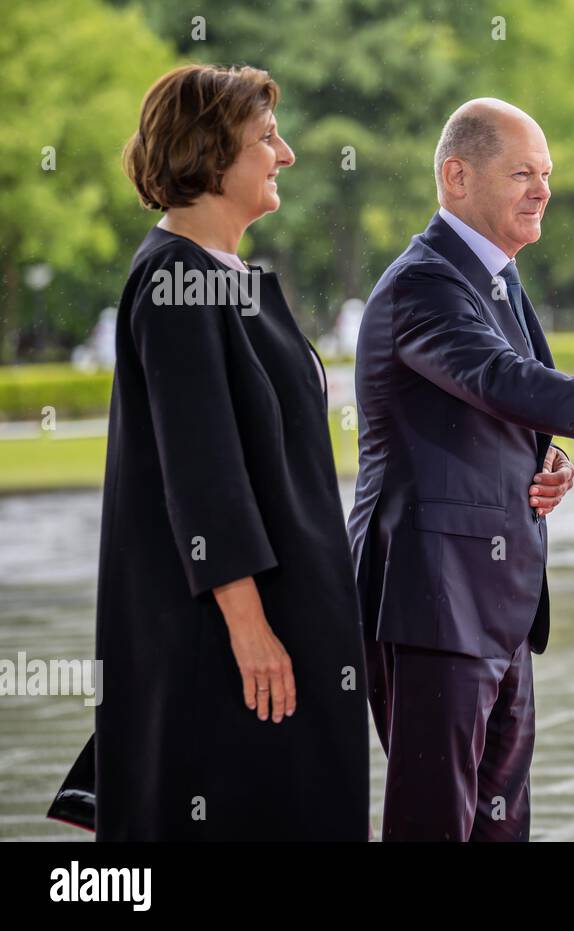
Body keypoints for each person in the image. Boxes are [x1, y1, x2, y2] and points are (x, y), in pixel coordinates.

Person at [348, 98, 574, 841]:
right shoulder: (424, 282)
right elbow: (502, 379)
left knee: (501, 823)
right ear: (456, 176)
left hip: (498, 603)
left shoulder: (498, 278)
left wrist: (550, 455)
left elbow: (506, 407)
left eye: (545, 173)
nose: (543, 189)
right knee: (434, 823)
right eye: (522, 173)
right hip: (432, 599)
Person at [56, 64, 370, 840]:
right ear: (209, 153)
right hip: (234, 631)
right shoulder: (173, 281)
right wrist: (249, 625)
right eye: (266, 139)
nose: (286, 154)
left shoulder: (225, 279)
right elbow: (201, 468)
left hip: (280, 617)